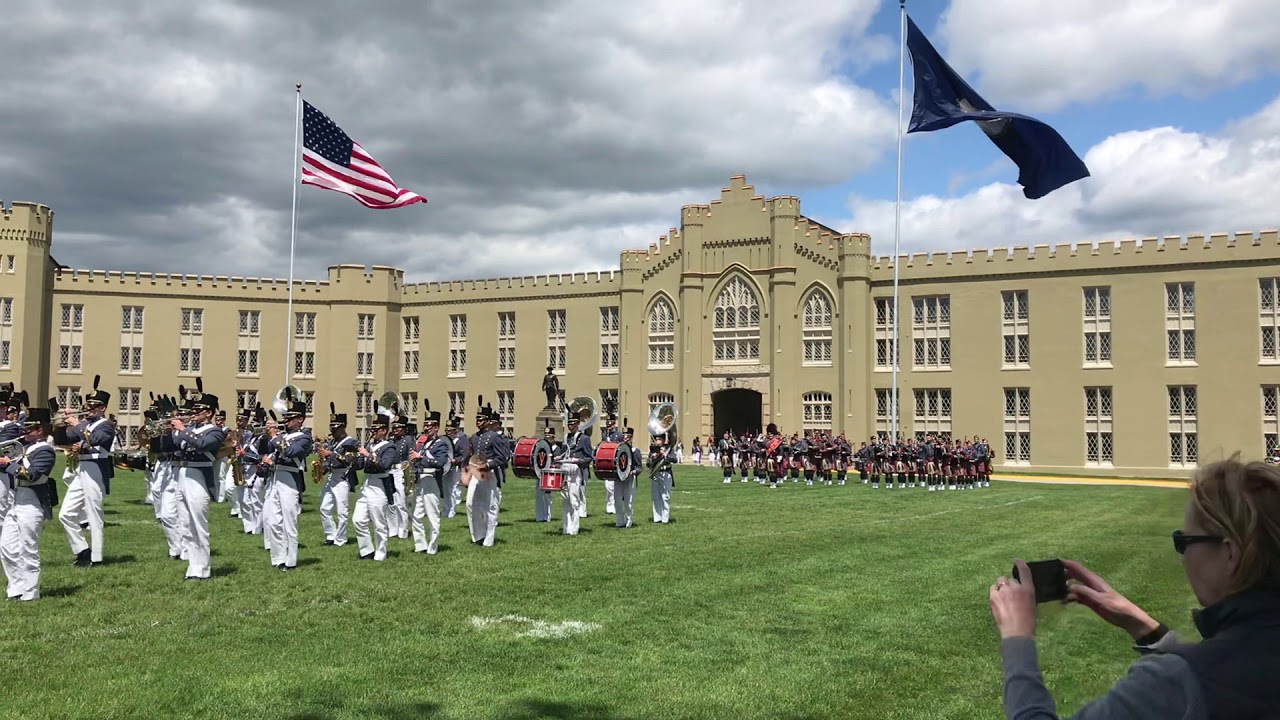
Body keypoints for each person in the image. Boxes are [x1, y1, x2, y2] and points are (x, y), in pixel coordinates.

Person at [989, 457, 1280, 719]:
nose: (1183, 558)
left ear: (1230, 554)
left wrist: (1017, 639)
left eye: (1184, 541)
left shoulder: (1168, 684)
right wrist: (1143, 626)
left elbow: (1200, 677)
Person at [0, 406, 56, 601]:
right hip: (15, 500)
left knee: (28, 548)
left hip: (32, 503)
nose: (25, 431)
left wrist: (9, 464)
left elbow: (32, 475)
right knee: (7, 547)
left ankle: (31, 592)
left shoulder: (46, 451)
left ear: (40, 430)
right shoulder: (25, 446)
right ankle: (16, 587)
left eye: (29, 428)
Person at [58, 376, 115, 567]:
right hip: (81, 468)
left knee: (93, 513)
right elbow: (64, 438)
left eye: (94, 406)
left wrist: (77, 424)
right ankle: (82, 550)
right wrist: (63, 421)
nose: (89, 409)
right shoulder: (85, 425)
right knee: (65, 514)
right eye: (88, 405)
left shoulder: (106, 425)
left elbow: (98, 439)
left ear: (103, 408)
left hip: (96, 468)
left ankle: (96, 557)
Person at [170, 387, 225, 580]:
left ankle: (203, 569)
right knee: (185, 524)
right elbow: (171, 445)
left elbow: (202, 445)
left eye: (198, 410)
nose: (193, 413)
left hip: (199, 477)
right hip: (183, 475)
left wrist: (182, 429)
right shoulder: (190, 430)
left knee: (198, 524)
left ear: (209, 413)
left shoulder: (215, 431)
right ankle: (193, 567)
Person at [259, 396, 312, 571]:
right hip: (274, 479)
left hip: (290, 479)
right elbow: (267, 451)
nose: (286, 421)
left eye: (290, 418)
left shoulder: (304, 437)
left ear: (300, 419)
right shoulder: (282, 436)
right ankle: (278, 558)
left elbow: (290, 452)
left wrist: (274, 436)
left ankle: (291, 560)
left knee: (289, 521)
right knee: (272, 521)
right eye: (286, 417)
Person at [409, 404, 451, 555]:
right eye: (425, 424)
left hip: (432, 480)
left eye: (429, 425)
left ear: (436, 427)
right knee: (416, 515)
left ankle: (433, 547)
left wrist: (421, 457)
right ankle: (420, 545)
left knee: (433, 516)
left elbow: (440, 462)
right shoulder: (423, 444)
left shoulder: (441, 444)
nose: (426, 428)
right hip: (420, 480)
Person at [354, 413, 396, 561]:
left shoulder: (389, 447)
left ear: (384, 430)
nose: (373, 431)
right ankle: (366, 550)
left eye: (376, 429)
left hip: (379, 485)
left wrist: (368, 455)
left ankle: (381, 553)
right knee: (358, 520)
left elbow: (385, 464)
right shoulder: (369, 445)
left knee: (379, 522)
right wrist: (353, 457)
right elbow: (360, 465)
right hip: (366, 483)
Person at [317, 404, 358, 547]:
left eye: (335, 428)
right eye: (331, 427)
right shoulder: (332, 442)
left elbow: (349, 460)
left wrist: (332, 454)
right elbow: (330, 460)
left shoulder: (351, 441)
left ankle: (341, 539)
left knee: (342, 510)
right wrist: (322, 466)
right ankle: (330, 535)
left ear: (343, 427)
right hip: (332, 476)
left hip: (343, 477)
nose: (332, 430)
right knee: (324, 507)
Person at [649, 432, 674, 523]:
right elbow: (648, 464)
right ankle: (657, 517)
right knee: (655, 496)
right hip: (656, 473)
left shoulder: (669, 449)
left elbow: (674, 459)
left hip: (666, 472)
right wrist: (652, 458)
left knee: (665, 496)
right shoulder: (653, 449)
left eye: (659, 439)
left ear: (663, 440)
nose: (657, 441)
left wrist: (665, 455)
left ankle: (665, 518)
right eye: (656, 439)